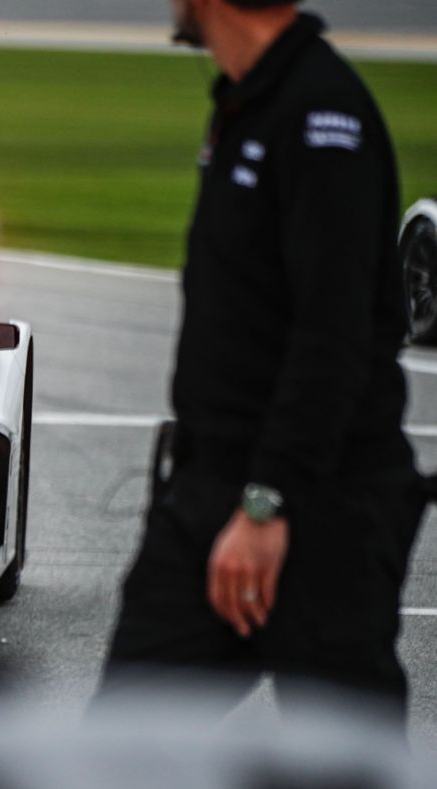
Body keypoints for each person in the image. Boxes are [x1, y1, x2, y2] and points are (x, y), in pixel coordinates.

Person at [95, 0, 427, 719]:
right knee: (119, 760)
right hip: (215, 494)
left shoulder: (321, 116)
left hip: (315, 511)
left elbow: (333, 336)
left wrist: (267, 502)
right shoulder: (251, 103)